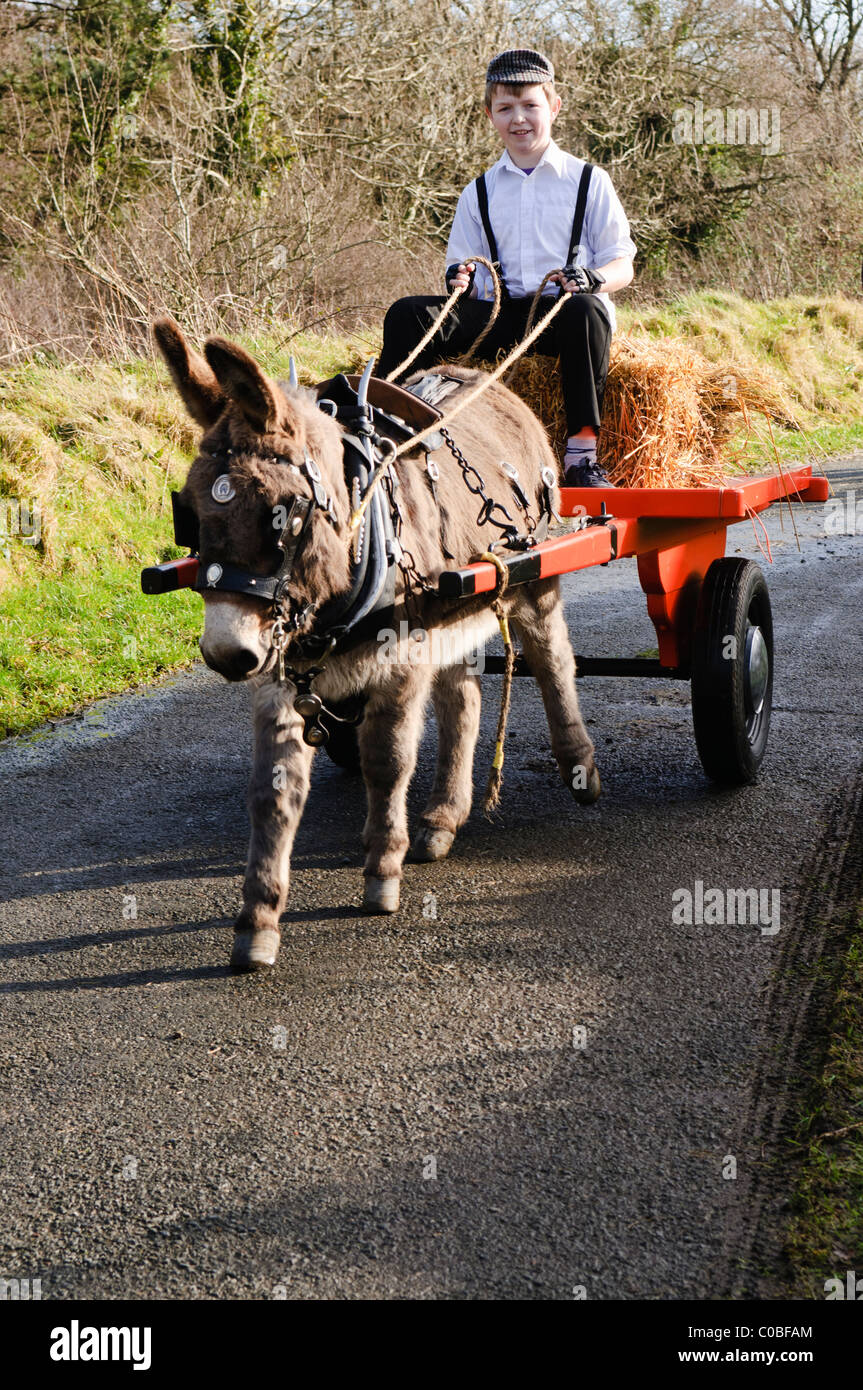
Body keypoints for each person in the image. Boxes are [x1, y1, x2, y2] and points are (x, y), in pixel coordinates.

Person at [376, 47, 636, 487]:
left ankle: (581, 454)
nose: (519, 118)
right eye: (506, 108)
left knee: (588, 310)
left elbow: (623, 263)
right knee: (408, 313)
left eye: (531, 105)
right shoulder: (477, 193)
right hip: (503, 319)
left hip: (563, 318)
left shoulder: (590, 180)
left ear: (553, 106)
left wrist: (593, 279)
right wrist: (462, 279)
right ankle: (378, 421)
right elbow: (467, 275)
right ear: (489, 114)